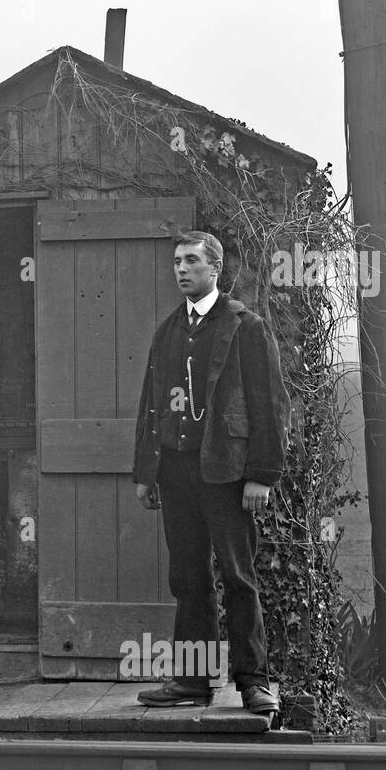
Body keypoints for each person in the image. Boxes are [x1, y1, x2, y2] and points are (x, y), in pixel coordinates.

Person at [132, 231, 289, 713]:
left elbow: (271, 405)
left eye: (192, 261)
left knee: (239, 577)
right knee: (188, 578)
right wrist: (146, 472)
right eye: (177, 261)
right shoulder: (167, 331)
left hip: (227, 475)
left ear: (214, 268)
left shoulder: (246, 327)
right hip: (176, 473)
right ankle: (192, 681)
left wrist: (261, 474)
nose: (181, 269)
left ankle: (252, 682)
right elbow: (150, 406)